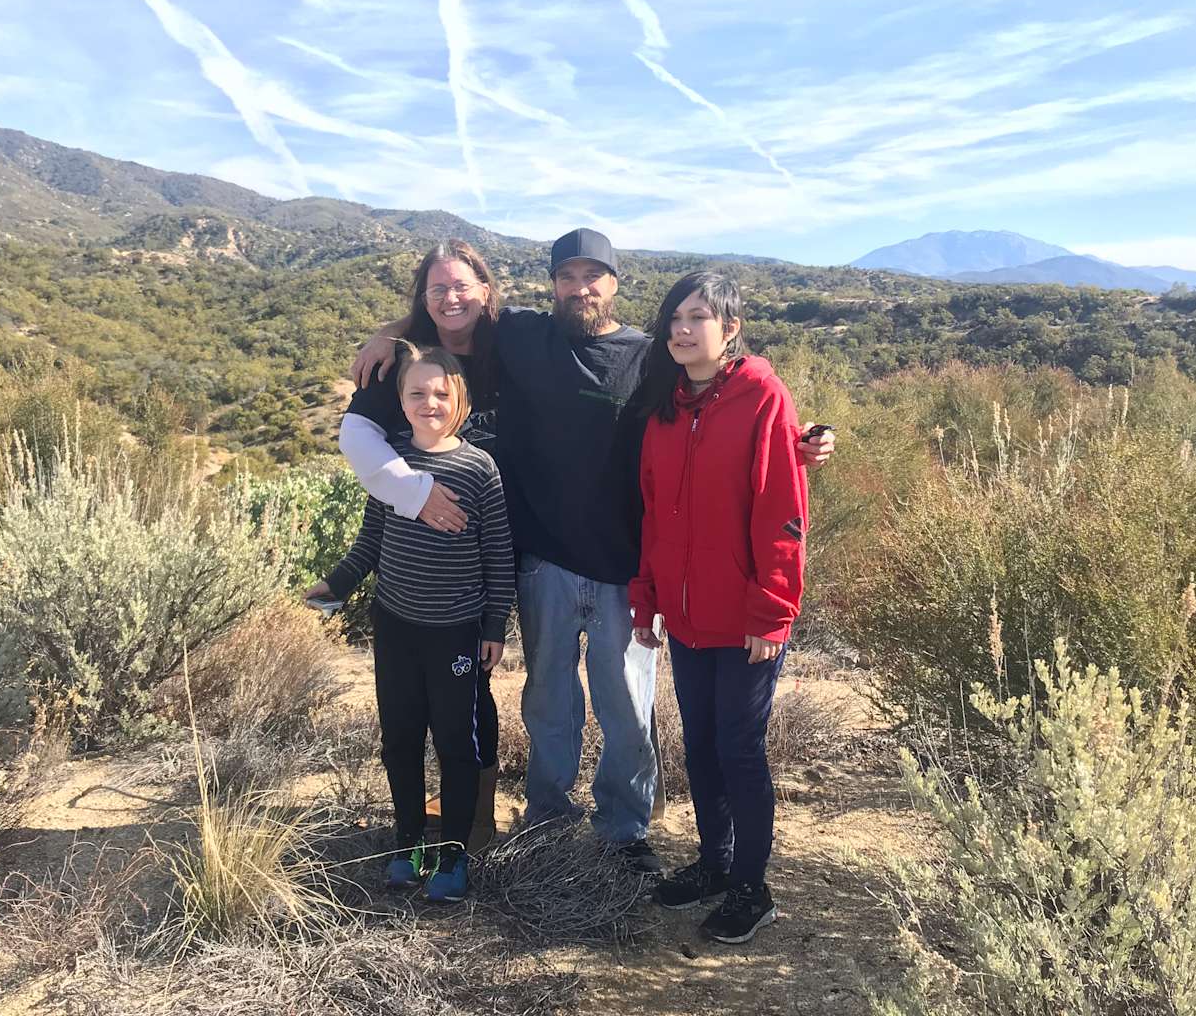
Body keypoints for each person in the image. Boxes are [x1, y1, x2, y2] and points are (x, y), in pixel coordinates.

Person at [350, 230, 835, 875]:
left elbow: (720, 383)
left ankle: (624, 828)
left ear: (614, 284)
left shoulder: (648, 356)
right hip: (543, 557)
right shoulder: (522, 337)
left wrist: (789, 439)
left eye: (594, 276)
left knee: (627, 706)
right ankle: (547, 818)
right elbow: (450, 309)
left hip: (626, 565)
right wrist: (389, 333)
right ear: (551, 285)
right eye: (567, 276)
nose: (581, 288)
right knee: (549, 701)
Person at [629, 271, 806, 944]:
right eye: (675, 317)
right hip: (688, 615)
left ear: (730, 328)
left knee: (738, 748)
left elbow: (782, 509)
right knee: (699, 746)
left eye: (697, 317)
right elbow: (653, 516)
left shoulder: (763, 396)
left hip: (747, 617)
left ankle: (752, 887)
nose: (682, 328)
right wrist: (645, 604)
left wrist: (772, 609)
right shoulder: (666, 407)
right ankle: (715, 862)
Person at [307, 345, 513, 902]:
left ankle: (452, 853)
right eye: (417, 393)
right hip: (395, 625)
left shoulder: (478, 468)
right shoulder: (392, 464)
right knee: (399, 739)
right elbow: (371, 537)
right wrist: (339, 583)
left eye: (442, 393)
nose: (430, 402)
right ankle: (407, 844)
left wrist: (495, 624)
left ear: (460, 401)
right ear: (400, 401)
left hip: (457, 631)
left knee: (455, 743)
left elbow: (498, 553)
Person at [337, 240, 503, 850]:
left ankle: (474, 820)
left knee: (477, 705)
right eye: (437, 290)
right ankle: (441, 828)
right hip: (425, 578)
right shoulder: (401, 366)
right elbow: (354, 433)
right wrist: (412, 492)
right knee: (423, 714)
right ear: (421, 300)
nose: (452, 298)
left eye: (463, 286)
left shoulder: (512, 342)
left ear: (487, 290)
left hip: (510, 544)